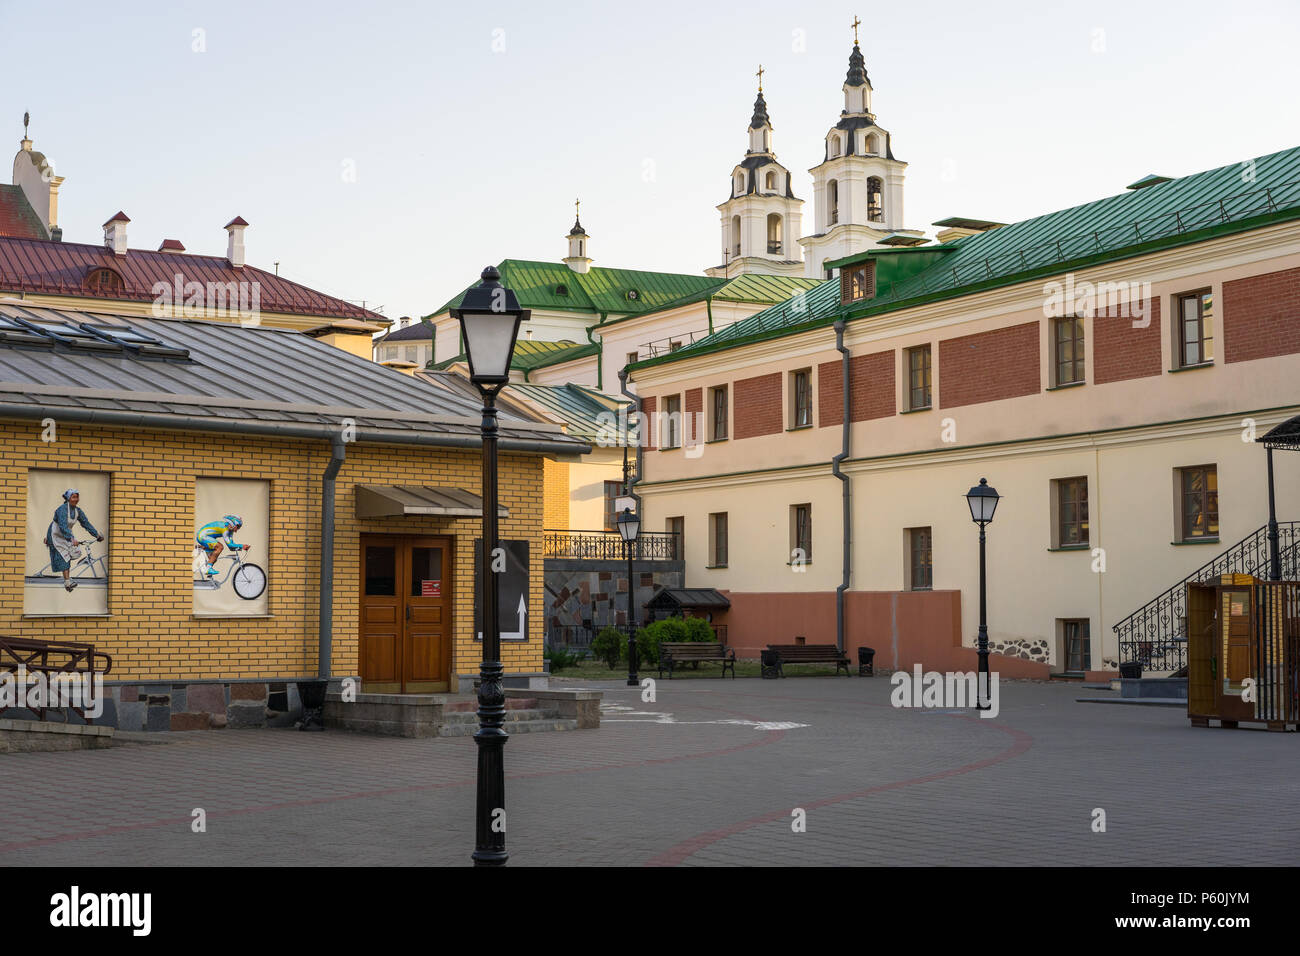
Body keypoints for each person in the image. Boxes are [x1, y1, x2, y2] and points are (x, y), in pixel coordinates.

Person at [44, 488, 104, 592]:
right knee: (64, 555)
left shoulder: (78, 511)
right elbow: (62, 526)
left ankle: (66, 578)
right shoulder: (62, 509)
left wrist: (96, 535)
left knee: (74, 552)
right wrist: (71, 538)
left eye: (77, 497)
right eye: (73, 497)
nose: (76, 499)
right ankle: (67, 582)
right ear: (68, 498)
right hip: (55, 534)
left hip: (67, 534)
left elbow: (86, 523)